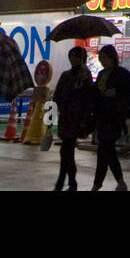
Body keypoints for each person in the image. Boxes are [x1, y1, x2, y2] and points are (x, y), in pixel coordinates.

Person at [91, 45, 130, 191]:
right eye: (101, 58)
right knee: (106, 151)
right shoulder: (102, 74)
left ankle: (98, 184)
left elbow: (129, 92)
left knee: (105, 149)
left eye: (105, 57)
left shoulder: (122, 74)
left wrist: (113, 93)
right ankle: (118, 182)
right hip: (103, 117)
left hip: (115, 117)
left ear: (112, 57)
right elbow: (96, 93)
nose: (103, 61)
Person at [52, 47, 94, 191]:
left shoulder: (85, 76)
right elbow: (57, 96)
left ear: (82, 58)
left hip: (76, 119)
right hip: (66, 116)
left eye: (75, 56)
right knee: (66, 151)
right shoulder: (66, 75)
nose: (72, 59)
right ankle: (70, 181)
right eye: (71, 56)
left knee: (66, 150)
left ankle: (64, 182)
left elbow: (88, 99)